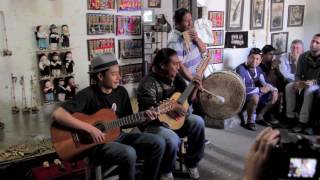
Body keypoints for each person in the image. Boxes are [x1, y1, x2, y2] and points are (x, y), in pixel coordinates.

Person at [52, 53, 165, 180]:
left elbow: (127, 121)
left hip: (118, 136)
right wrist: (90, 129)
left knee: (158, 142)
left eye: (119, 73)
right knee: (129, 153)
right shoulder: (87, 94)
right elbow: (58, 114)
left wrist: (145, 118)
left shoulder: (121, 92)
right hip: (96, 145)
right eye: (114, 74)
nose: (119, 77)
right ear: (100, 76)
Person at [137, 48, 205, 180]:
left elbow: (188, 101)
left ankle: (192, 163)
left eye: (178, 63)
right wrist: (171, 107)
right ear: (162, 65)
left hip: (176, 121)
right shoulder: (148, 83)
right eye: (175, 64)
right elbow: (149, 111)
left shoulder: (175, 77)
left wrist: (195, 87)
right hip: (154, 124)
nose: (179, 67)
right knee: (172, 138)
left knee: (198, 122)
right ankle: (166, 170)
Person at [236, 48, 278, 131]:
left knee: (274, 95)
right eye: (252, 57)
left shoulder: (258, 69)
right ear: (248, 58)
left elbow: (265, 83)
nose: (254, 61)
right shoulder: (241, 69)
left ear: (260, 60)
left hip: (252, 91)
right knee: (255, 97)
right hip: (240, 95)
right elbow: (241, 89)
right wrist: (259, 90)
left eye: (257, 59)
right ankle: (250, 121)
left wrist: (274, 89)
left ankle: (260, 116)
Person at [285, 33, 320, 133]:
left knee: (309, 90)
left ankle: (302, 122)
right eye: (313, 41)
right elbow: (298, 73)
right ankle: (290, 117)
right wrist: (297, 82)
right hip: (304, 82)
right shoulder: (303, 56)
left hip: (316, 84)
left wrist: (314, 82)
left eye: (317, 42)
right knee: (289, 87)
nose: (314, 44)